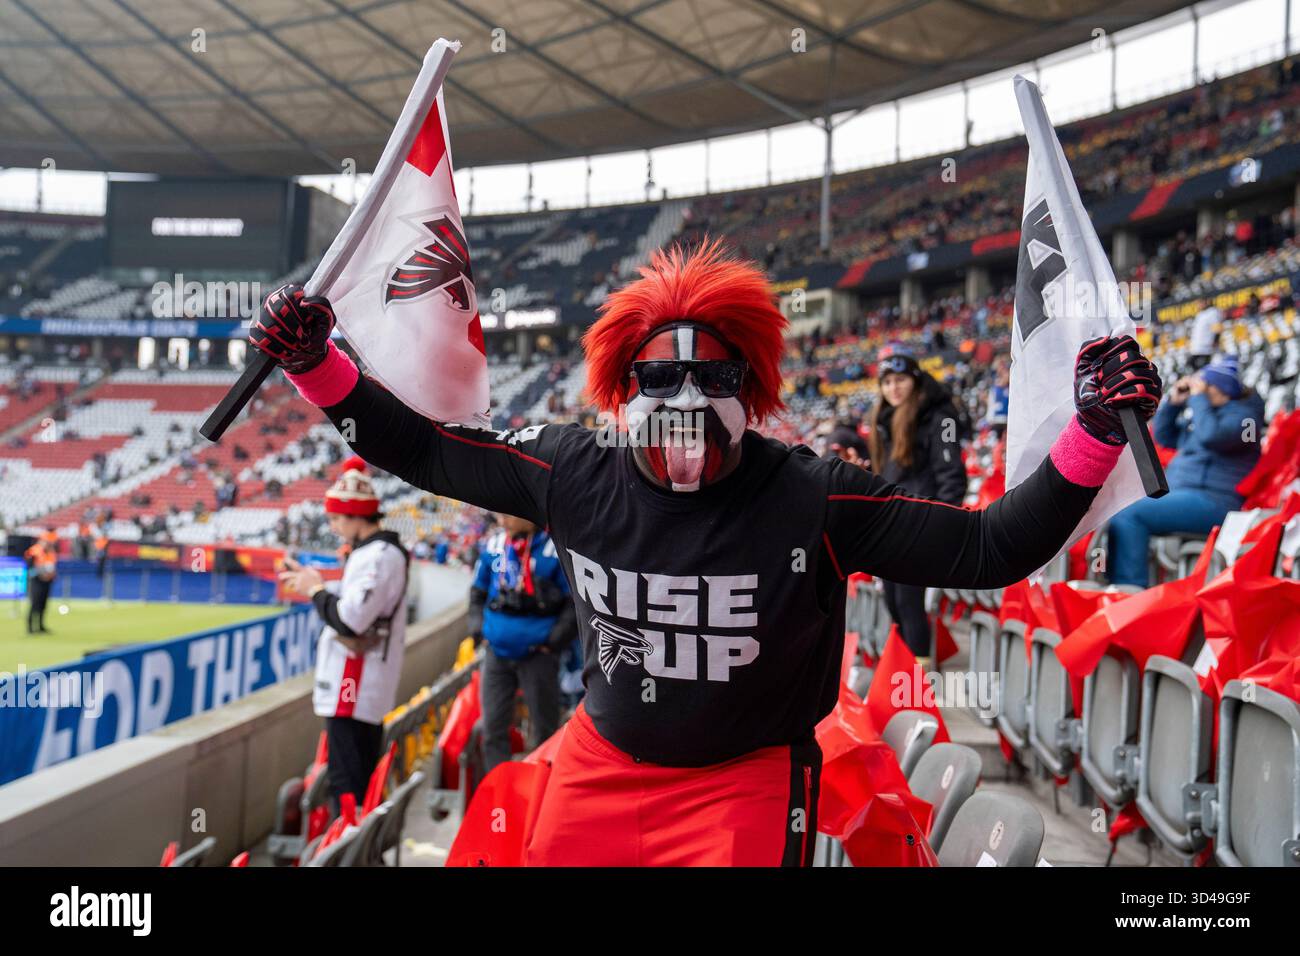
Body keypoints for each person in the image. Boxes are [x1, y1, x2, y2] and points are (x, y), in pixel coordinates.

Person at [249, 240, 1161, 866]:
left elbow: (992, 546)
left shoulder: (813, 493)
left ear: (751, 386)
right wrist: (315, 364)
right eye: (659, 377)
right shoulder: (571, 468)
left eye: (715, 377)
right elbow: (418, 447)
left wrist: (1090, 431)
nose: (685, 396)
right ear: (621, 385)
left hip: (749, 780)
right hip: (601, 764)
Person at [278, 457, 409, 812]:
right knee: (353, 781)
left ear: (356, 516)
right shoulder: (375, 553)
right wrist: (317, 585)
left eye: (337, 518)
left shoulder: (379, 556)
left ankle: (350, 848)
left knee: (348, 786)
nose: (333, 527)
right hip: (358, 686)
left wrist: (316, 591)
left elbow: (351, 621)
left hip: (354, 686)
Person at [1106, 354, 1263, 588]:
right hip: (1182, 495)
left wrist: (1198, 400)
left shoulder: (1245, 419)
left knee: (1130, 514)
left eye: (1205, 385)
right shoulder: (1206, 414)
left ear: (1220, 388)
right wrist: (1173, 404)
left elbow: (1211, 435)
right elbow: (1165, 436)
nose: (1198, 391)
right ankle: (1113, 584)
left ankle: (1129, 590)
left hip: (1215, 501)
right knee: (1114, 505)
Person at [866, 353, 968, 664]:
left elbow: (951, 478)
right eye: (886, 383)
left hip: (920, 527)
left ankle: (918, 685)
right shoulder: (885, 422)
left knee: (909, 604)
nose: (893, 388)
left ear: (915, 381)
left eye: (900, 380)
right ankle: (903, 672)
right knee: (894, 604)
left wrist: (941, 526)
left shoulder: (940, 417)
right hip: (892, 528)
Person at [469, 513, 578, 773]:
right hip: (496, 652)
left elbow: (574, 603)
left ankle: (539, 785)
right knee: (493, 725)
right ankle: (496, 790)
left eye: (509, 513)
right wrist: (478, 630)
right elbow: (477, 592)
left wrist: (553, 642)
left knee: (544, 727)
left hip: (537, 654)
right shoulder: (494, 546)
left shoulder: (554, 549)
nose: (503, 519)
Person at [23, 530, 58, 634]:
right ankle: (30, 628)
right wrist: (40, 574)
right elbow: (30, 566)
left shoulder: (51, 552)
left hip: (47, 581)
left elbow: (52, 566)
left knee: (43, 604)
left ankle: (40, 626)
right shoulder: (34, 550)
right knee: (35, 603)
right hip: (36, 581)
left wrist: (51, 575)